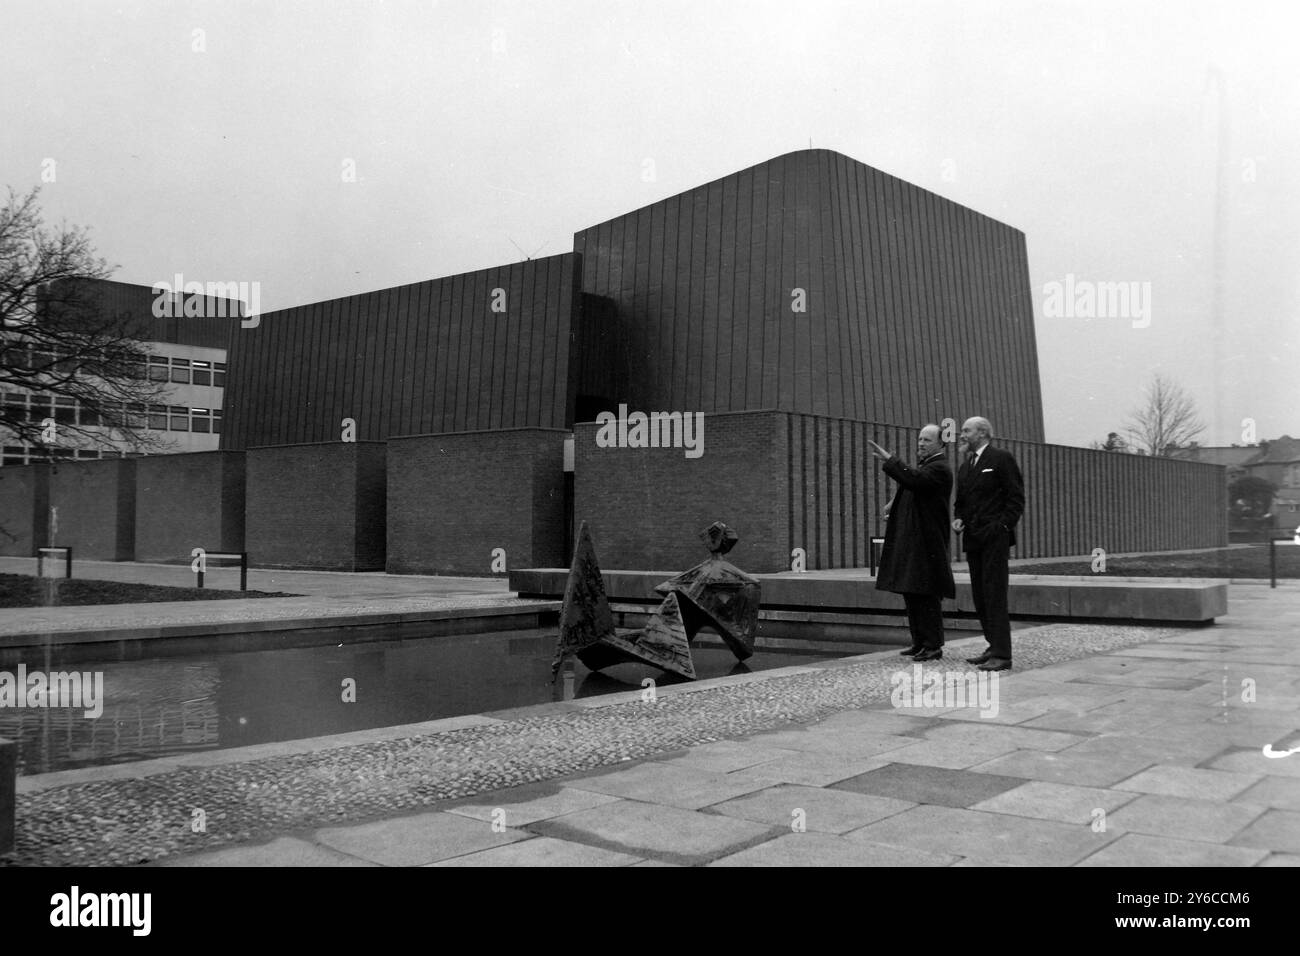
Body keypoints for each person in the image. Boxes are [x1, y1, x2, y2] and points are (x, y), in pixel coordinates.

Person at [867, 425, 956, 661]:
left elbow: (916, 480)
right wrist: (893, 505)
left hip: (927, 544)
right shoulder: (927, 467)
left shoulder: (939, 468)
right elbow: (912, 486)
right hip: (915, 542)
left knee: (926, 593)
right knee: (912, 591)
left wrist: (890, 460)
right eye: (919, 439)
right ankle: (919, 642)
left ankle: (933, 645)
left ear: (941, 444)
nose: (921, 443)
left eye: (927, 440)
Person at [952, 416, 1024, 672]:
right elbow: (960, 502)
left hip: (994, 540)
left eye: (966, 431)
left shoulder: (1001, 458)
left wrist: (1001, 528)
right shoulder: (965, 466)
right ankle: (993, 646)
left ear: (982, 433)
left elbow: (1016, 498)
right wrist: (958, 518)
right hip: (973, 540)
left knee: (994, 595)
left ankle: (1003, 654)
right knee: (981, 596)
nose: (961, 435)